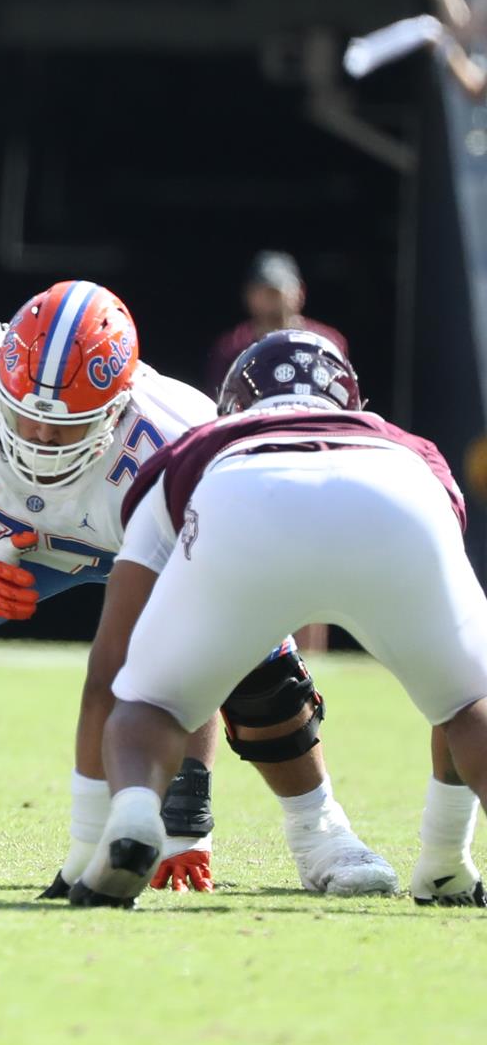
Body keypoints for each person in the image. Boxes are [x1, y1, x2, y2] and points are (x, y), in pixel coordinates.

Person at [0, 280, 392, 898]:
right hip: (8, 543)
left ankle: (322, 833)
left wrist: (185, 820)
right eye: (26, 414)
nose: (43, 439)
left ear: (119, 405)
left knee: (256, 661)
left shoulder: (174, 443)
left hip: (144, 543)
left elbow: (201, 630)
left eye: (66, 424)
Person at [72, 331, 487, 907]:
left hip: (244, 493)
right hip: (394, 490)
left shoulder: (198, 443)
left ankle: (136, 815)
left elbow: (116, 649)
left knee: (149, 704)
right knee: (469, 703)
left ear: (235, 405)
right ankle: (446, 862)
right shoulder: (407, 444)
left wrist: (135, 688)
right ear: (352, 404)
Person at [204, 250, 348, 394]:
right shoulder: (232, 348)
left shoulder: (328, 343)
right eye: (262, 292)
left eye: (276, 292)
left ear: (300, 292)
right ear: (248, 296)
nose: (271, 300)